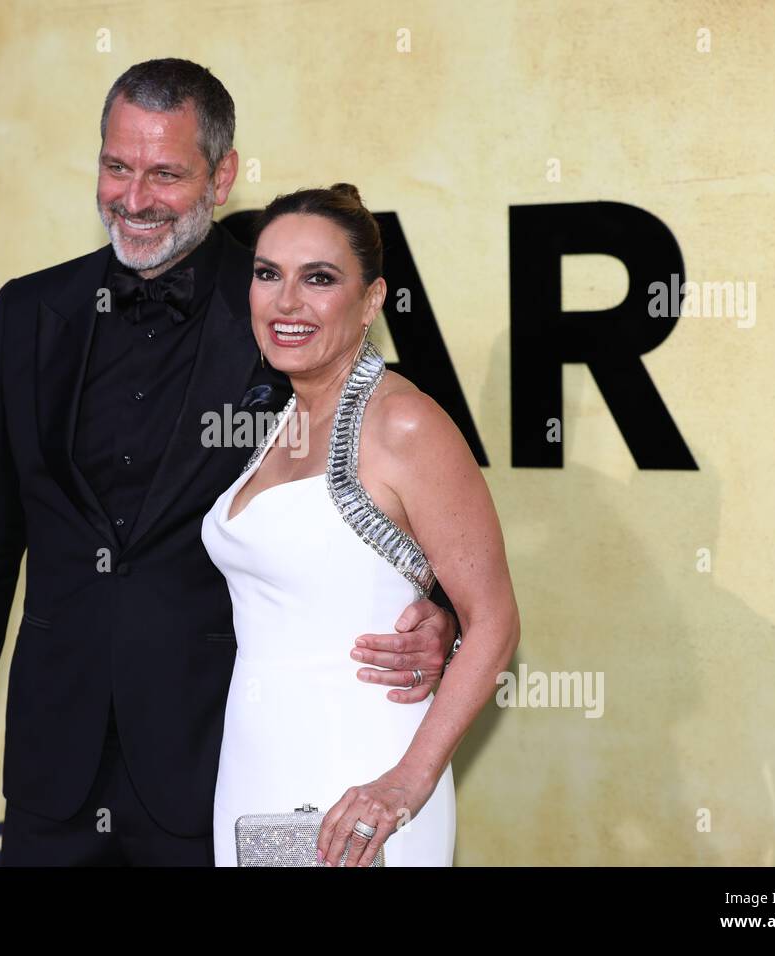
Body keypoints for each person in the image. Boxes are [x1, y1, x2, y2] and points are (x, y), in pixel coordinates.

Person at [0, 58, 461, 866]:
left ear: (222, 176)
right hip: (51, 755)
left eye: (165, 174)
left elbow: (393, 468)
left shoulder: (280, 309)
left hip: (216, 752)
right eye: (116, 167)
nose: (133, 199)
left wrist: (438, 613)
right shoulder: (28, 312)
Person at [202, 184, 521, 866]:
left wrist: (405, 785)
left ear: (372, 299)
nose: (287, 302)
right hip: (254, 771)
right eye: (268, 274)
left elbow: (494, 622)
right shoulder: (280, 419)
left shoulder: (404, 423)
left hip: (362, 778)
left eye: (319, 279)